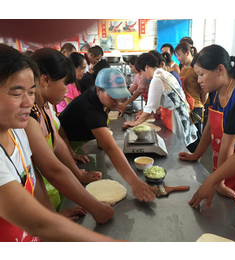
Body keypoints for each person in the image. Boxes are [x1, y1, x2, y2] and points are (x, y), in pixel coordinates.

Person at [0, 43, 120, 242]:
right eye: (16, 93)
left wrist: (51, 215)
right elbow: (52, 174)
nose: (28, 102)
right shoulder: (26, 123)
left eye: (31, 92)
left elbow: (33, 174)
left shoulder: (16, 131)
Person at [25, 47, 114, 223]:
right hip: (35, 203)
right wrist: (95, 207)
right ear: (45, 80)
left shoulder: (43, 106)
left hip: (51, 194)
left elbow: (57, 143)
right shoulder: (28, 117)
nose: (67, 89)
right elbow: (51, 170)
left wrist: (78, 175)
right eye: (65, 83)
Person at [179, 44, 235, 211]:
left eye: (201, 74)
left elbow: (229, 144)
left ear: (220, 69)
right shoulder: (217, 90)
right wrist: (196, 155)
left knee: (234, 212)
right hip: (222, 160)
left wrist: (218, 182)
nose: (199, 80)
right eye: (197, 75)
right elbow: (210, 127)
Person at [59, 68, 156, 202]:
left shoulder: (99, 97)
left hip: (72, 143)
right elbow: (110, 147)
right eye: (113, 95)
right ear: (99, 90)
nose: (117, 100)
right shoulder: (91, 109)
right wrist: (134, 182)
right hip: (61, 144)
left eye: (120, 95)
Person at [124, 53, 198, 152]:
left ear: (146, 67)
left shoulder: (157, 79)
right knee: (183, 147)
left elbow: (150, 108)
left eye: (142, 72)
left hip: (177, 117)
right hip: (181, 113)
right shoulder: (163, 73)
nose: (143, 76)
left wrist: (135, 123)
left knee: (178, 149)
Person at [174, 40, 208, 141]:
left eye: (180, 55)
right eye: (177, 56)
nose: (179, 58)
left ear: (188, 53)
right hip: (186, 106)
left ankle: (197, 157)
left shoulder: (196, 68)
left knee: (196, 137)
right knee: (188, 137)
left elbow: (205, 90)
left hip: (195, 107)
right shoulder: (183, 68)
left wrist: (200, 104)